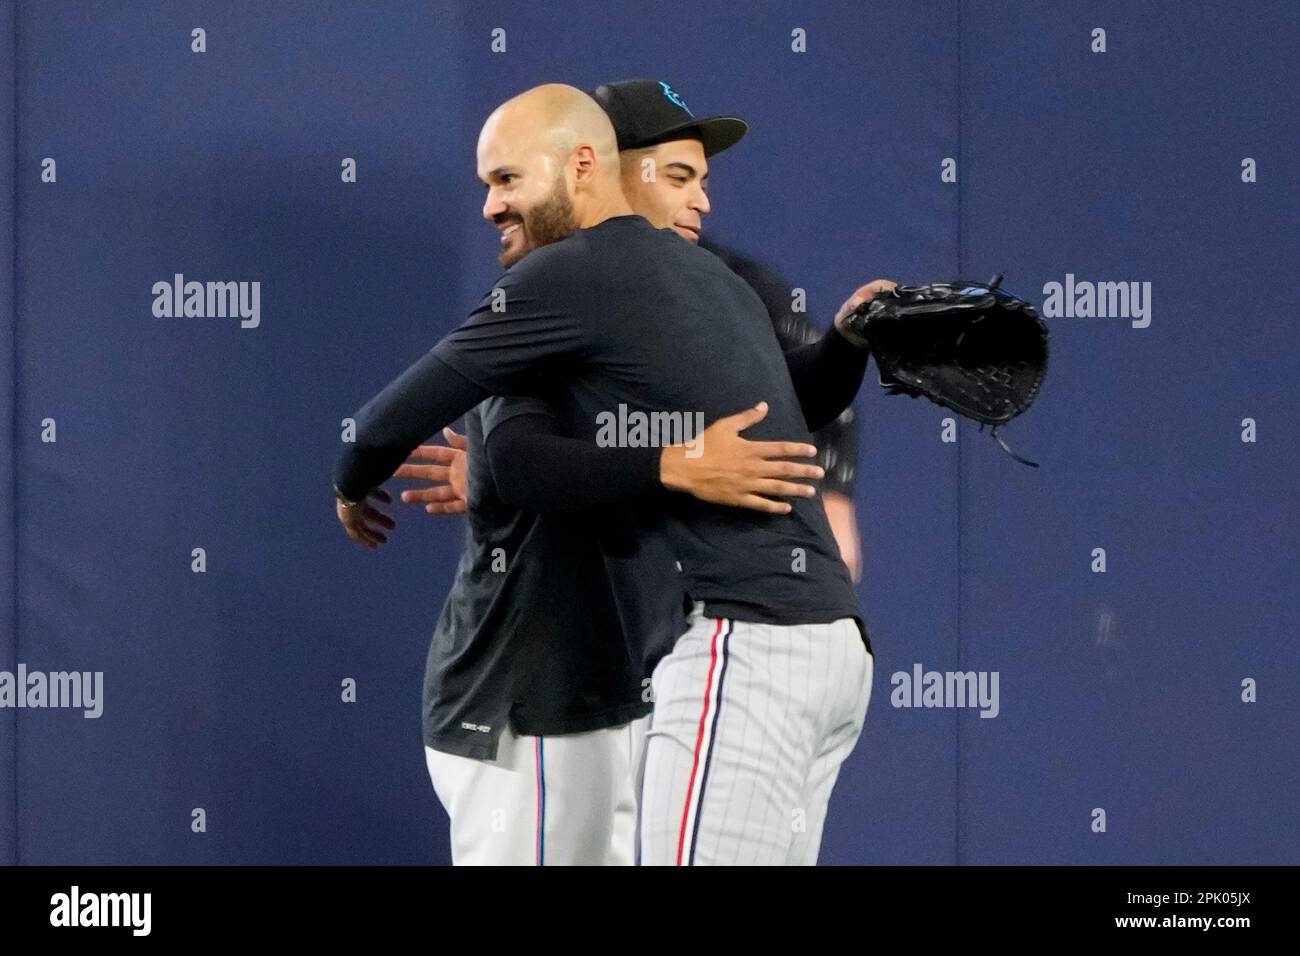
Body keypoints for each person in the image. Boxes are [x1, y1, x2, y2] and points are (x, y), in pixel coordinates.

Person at [335, 84, 882, 865]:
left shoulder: (696, 286)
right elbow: (517, 458)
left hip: (703, 656)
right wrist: (670, 461)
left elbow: (778, 405)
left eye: (506, 181)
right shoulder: (586, 283)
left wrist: (843, 348)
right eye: (678, 175)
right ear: (606, 171)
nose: (702, 198)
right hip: (584, 689)